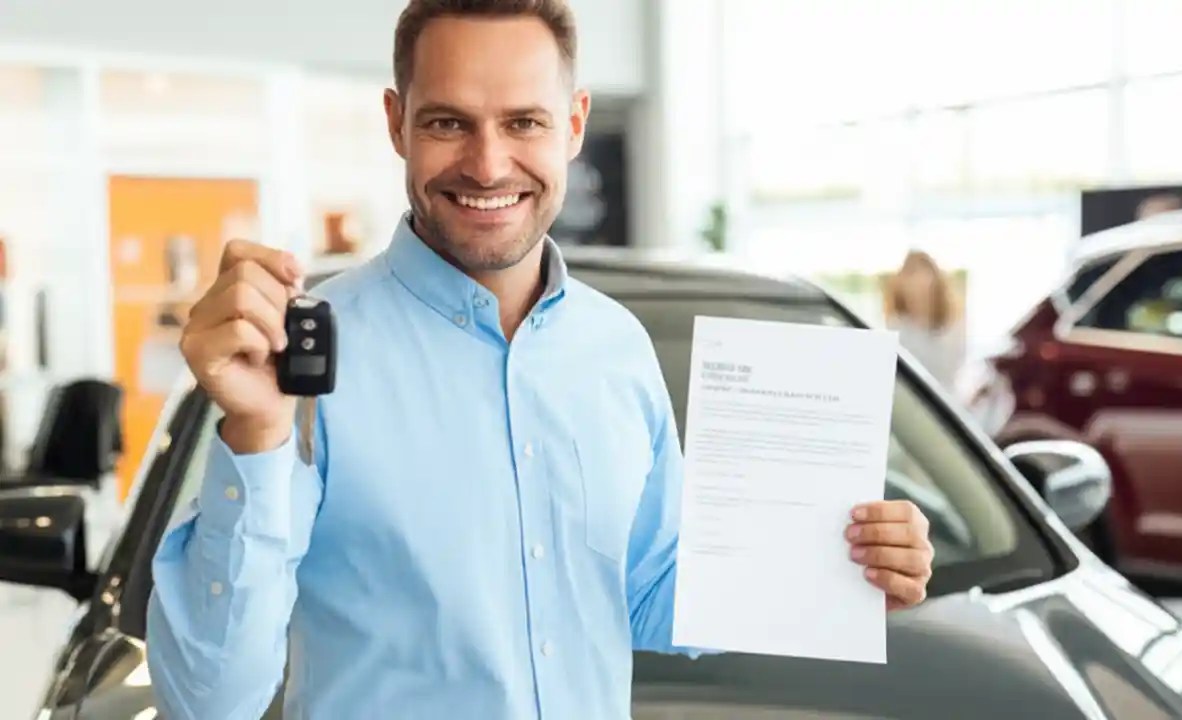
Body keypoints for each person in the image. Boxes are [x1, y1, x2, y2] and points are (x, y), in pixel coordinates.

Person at [146, 2, 936, 718]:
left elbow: (650, 592)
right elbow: (211, 702)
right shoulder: (302, 364)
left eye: (524, 122)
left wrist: (838, 566)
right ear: (397, 123)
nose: (488, 166)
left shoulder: (617, 349)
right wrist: (257, 433)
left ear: (574, 123)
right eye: (449, 123)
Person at [882, 249, 965, 393]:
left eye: (923, 275)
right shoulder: (895, 325)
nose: (917, 282)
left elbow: (949, 369)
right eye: (911, 274)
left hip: (943, 397)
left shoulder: (953, 324)